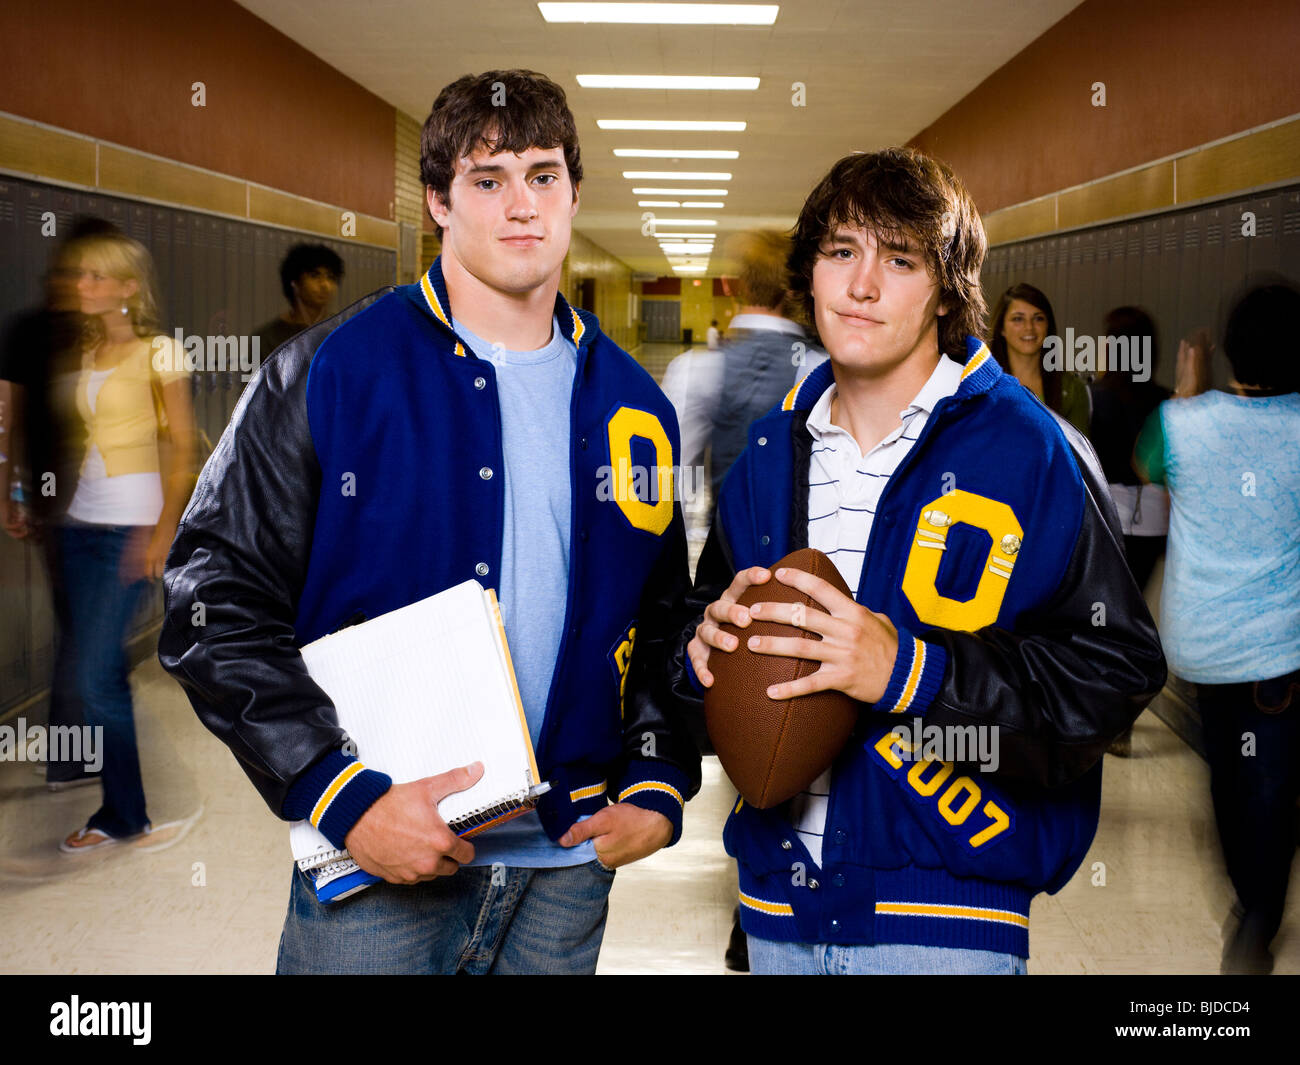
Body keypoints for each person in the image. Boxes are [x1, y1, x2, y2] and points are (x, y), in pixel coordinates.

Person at [159, 69, 700, 975]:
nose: (520, 205)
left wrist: (656, 773)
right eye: (488, 181)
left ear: (574, 193)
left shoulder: (633, 406)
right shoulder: (332, 369)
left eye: (543, 176)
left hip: (567, 866)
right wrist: (343, 796)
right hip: (382, 868)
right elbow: (210, 596)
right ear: (440, 202)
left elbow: (659, 618)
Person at [670, 147, 1166, 975]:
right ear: (812, 275)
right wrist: (702, 655)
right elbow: (706, 647)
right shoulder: (766, 456)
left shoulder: (1032, 450)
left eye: (899, 260)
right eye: (841, 253)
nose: (862, 285)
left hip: (946, 919)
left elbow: (1113, 674)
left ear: (945, 287)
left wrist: (913, 671)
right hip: (775, 911)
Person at [1134, 280, 1300, 975]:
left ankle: (1248, 909)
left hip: (1202, 650)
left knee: (1230, 784)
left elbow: (1146, 468)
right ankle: (1255, 916)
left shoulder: (1179, 424)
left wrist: (1186, 395)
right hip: (1278, 657)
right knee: (1268, 790)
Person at [55, 231, 197, 850]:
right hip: (81, 526)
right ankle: (118, 808)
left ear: (127, 288)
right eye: (79, 275)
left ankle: (127, 815)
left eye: (94, 276)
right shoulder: (87, 351)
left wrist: (160, 531)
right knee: (99, 668)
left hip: (130, 529)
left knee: (94, 677)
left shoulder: (161, 353)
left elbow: (184, 449)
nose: (80, 285)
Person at [1, 217, 119, 789]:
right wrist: (12, 492)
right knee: (84, 630)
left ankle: (77, 750)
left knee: (87, 628)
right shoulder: (34, 333)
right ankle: (73, 755)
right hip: (65, 508)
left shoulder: (108, 333)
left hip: (110, 504)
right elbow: (9, 419)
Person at [1089, 305, 1171, 757]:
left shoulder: (1096, 396)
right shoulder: (1164, 398)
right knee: (1137, 618)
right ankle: (1124, 718)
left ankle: (1108, 714)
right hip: (1153, 519)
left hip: (1111, 517)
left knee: (1107, 620)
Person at [989, 282, 1090, 434]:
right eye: (1018, 319)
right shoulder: (983, 386)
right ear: (1001, 328)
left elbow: (1076, 455)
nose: (1029, 327)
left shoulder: (1073, 389)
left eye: (1038, 319)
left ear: (1048, 326)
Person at [252, 243, 344, 355]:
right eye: (314, 276)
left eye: (331, 277)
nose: (325, 284)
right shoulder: (267, 338)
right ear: (295, 283)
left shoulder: (342, 330)